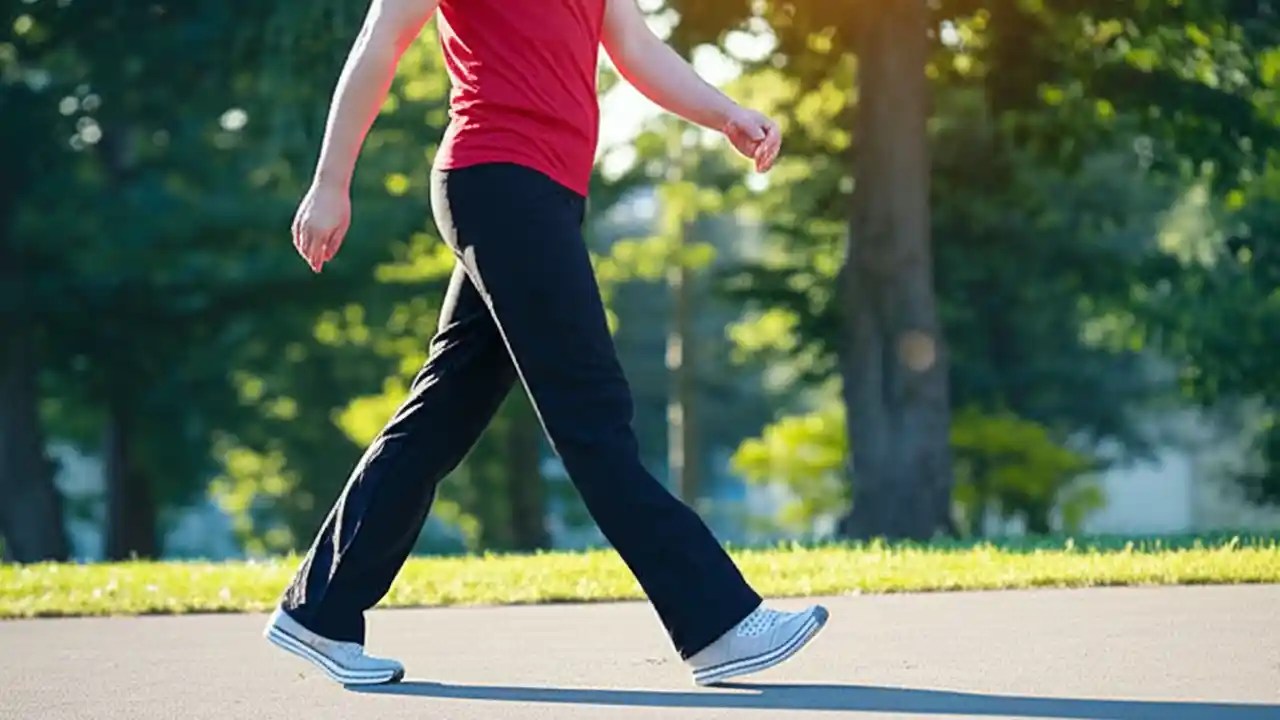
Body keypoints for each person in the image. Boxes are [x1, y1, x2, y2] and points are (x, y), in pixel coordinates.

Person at [262, 0, 829, 688]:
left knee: (444, 413)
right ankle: (718, 624)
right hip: (498, 181)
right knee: (592, 412)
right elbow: (380, 41)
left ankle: (321, 610)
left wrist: (727, 114)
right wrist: (330, 182)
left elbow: (635, 48)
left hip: (544, 195)